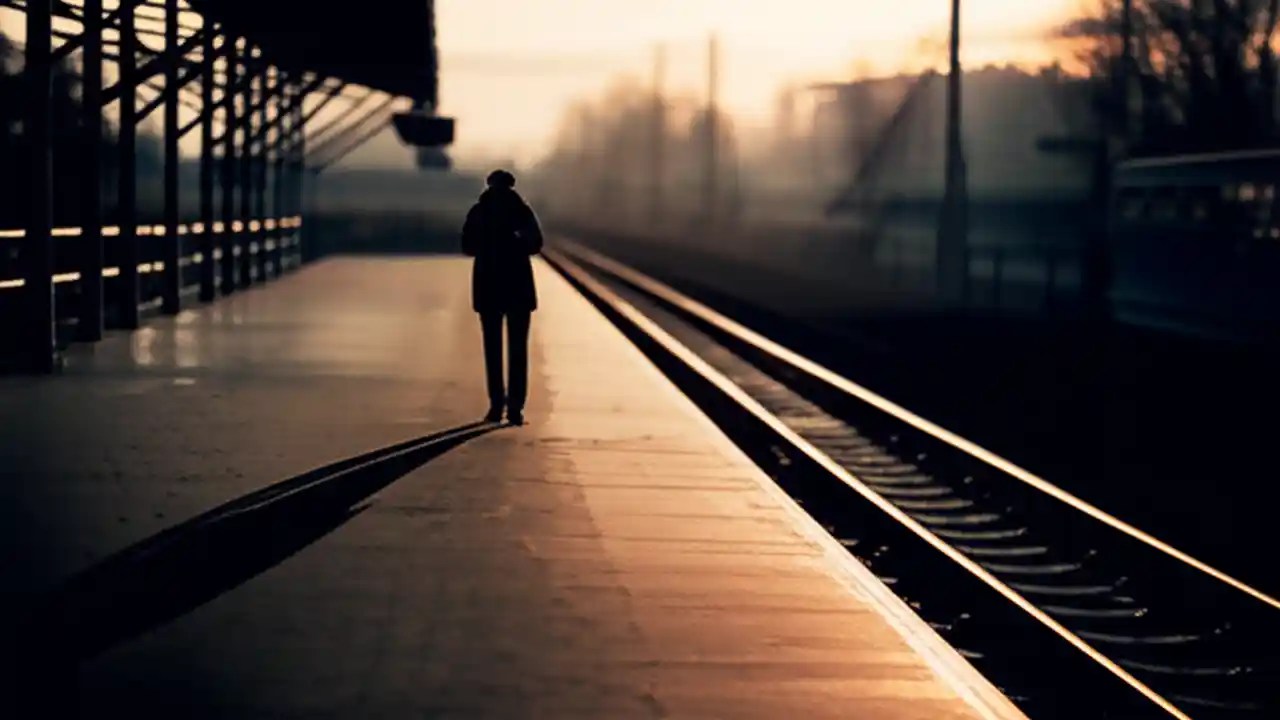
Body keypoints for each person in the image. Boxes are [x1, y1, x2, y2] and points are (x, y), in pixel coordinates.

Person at [461, 169, 544, 426]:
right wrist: (515, 242)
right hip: (518, 287)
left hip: (488, 286)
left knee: (492, 350)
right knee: (518, 351)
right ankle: (515, 408)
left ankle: (496, 405)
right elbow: (536, 244)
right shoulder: (522, 211)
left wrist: (488, 244)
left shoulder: (479, 211)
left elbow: (467, 246)